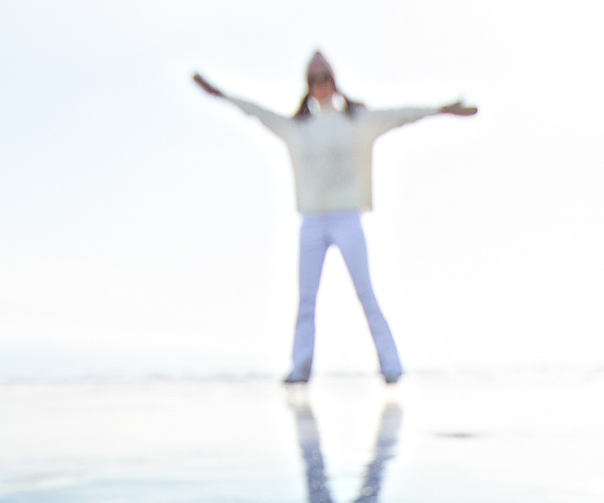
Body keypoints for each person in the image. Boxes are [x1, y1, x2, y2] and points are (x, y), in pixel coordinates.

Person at [194, 53, 476, 384]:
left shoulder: (357, 121)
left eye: (325, 78)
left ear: (334, 82)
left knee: (366, 292)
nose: (320, 85)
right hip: (312, 220)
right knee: (306, 299)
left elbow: (402, 116)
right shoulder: (296, 128)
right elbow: (255, 112)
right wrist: (220, 94)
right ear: (308, 87)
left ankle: (392, 366)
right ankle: (300, 367)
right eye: (314, 80)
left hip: (347, 218)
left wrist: (443, 109)